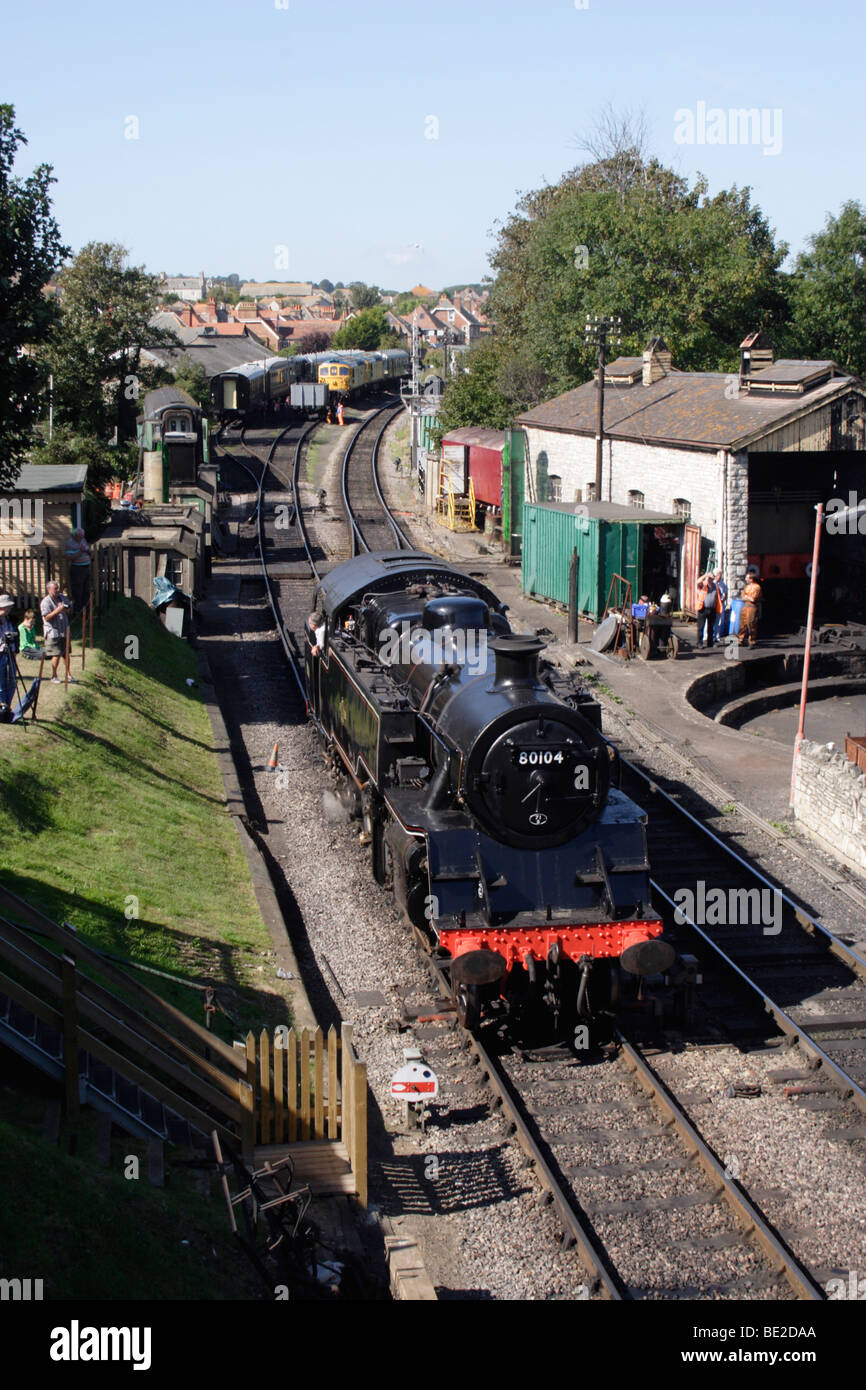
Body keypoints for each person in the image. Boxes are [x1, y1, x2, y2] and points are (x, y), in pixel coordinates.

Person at [40, 581, 75, 684]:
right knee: (56, 654)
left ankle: (68, 674)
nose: (57, 590)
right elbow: (46, 617)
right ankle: (54, 675)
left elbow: (69, 608)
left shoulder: (62, 597)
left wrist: (67, 609)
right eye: (55, 589)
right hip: (53, 631)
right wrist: (58, 610)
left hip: (64, 629)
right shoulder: (45, 602)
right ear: (49, 590)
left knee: (66, 653)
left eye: (58, 588)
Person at [65, 527, 92, 612]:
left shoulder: (83, 540)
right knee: (77, 591)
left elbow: (88, 550)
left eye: (82, 537)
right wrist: (80, 551)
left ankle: (86, 611)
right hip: (77, 569)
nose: (81, 539)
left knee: (86, 590)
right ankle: (78, 612)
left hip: (86, 567)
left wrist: (88, 551)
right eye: (79, 537)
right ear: (75, 535)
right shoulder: (70, 543)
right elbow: (70, 557)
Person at [695, 571, 719, 648]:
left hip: (712, 609)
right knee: (701, 627)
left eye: (711, 578)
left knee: (711, 627)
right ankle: (699, 643)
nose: (710, 580)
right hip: (703, 609)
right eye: (709, 578)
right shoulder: (703, 585)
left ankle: (710, 642)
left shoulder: (715, 586)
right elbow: (697, 581)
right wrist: (706, 575)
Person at [739, 573, 762, 648]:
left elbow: (753, 599)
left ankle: (752, 641)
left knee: (751, 623)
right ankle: (740, 639)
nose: (746, 579)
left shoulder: (757, 587)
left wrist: (747, 597)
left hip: (752, 607)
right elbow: (742, 597)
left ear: (751, 579)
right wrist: (747, 597)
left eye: (747, 578)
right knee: (742, 623)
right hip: (745, 605)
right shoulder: (747, 587)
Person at [712, 568, 729, 643]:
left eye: (721, 575)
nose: (720, 576)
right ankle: (707, 636)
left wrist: (724, 598)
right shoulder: (711, 583)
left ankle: (717, 636)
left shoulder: (722, 584)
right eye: (719, 575)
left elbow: (725, 593)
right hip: (712, 605)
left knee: (719, 621)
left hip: (720, 604)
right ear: (715, 575)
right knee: (710, 621)